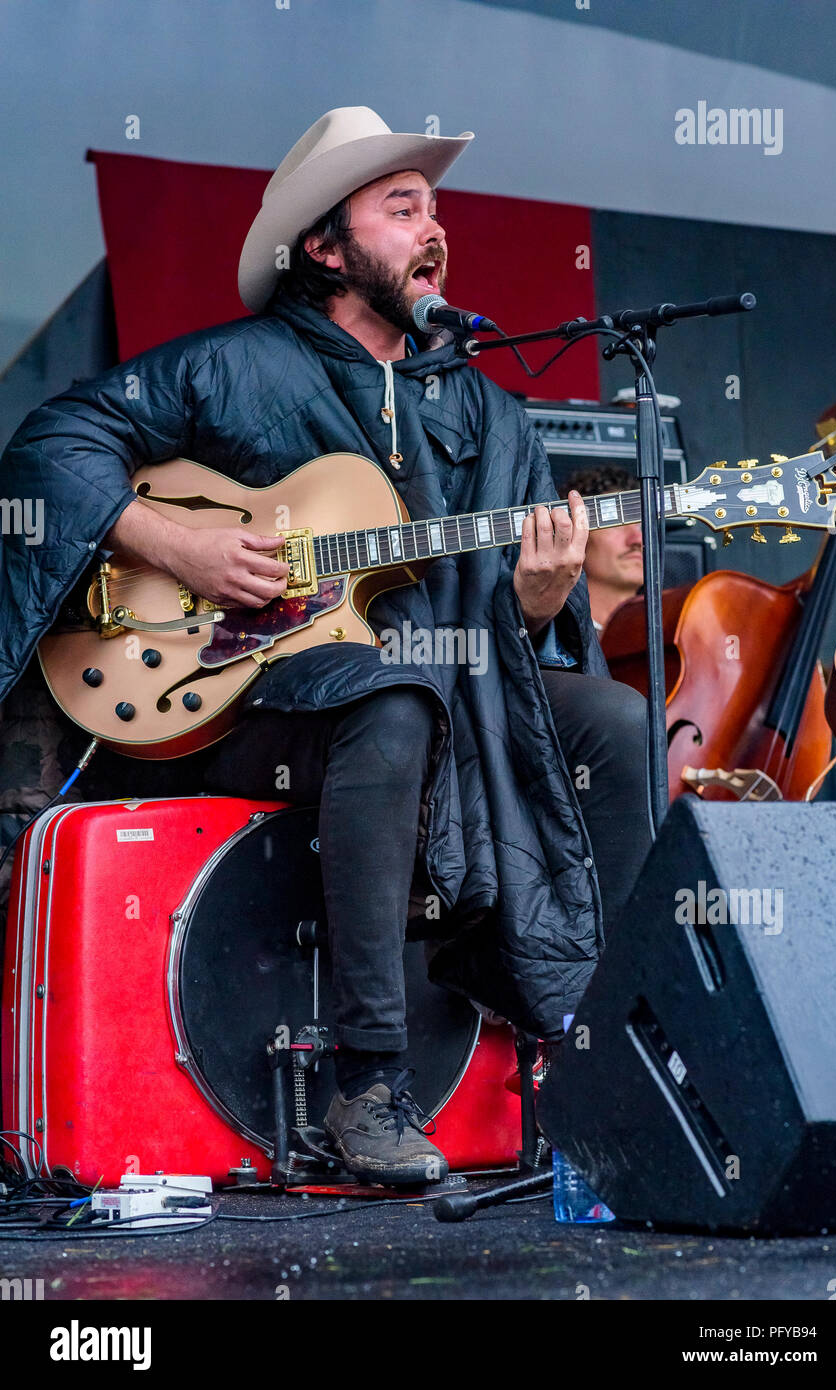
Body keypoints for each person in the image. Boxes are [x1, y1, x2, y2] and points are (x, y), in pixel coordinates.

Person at [0, 107, 652, 1184]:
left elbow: (515, 624)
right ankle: (369, 1085)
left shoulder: (487, 412)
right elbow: (50, 445)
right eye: (402, 208)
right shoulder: (231, 365)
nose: (432, 228)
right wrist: (173, 542)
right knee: (391, 698)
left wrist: (537, 606)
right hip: (244, 704)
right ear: (324, 244)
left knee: (618, 724)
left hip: (450, 691)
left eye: (435, 209)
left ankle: (609, 1053)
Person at [561, 464, 643, 632]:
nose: (638, 539)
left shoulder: (667, 635)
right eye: (617, 523)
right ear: (574, 534)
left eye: (642, 526)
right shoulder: (548, 638)